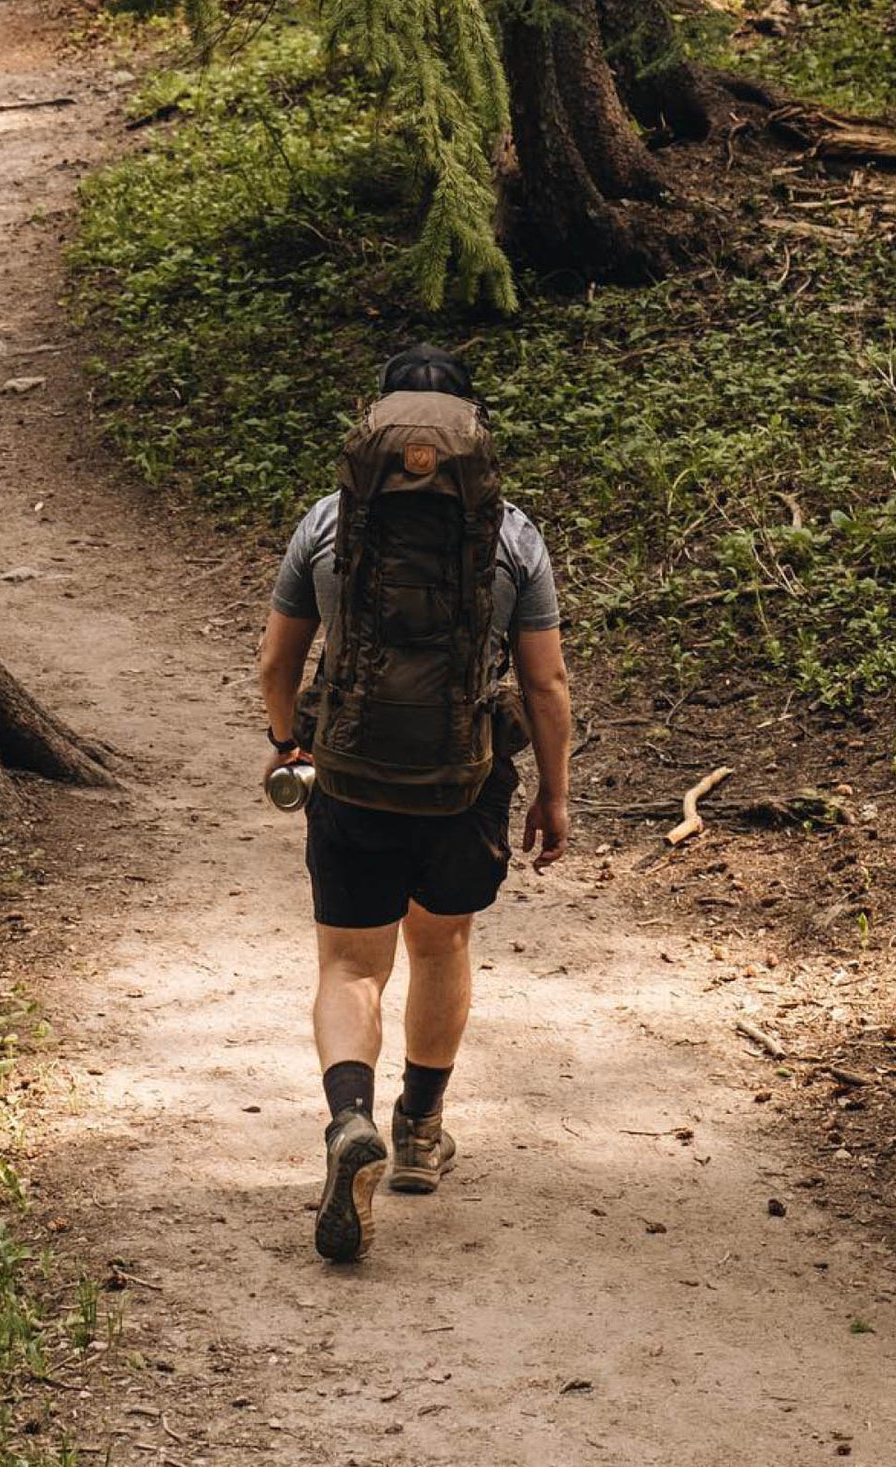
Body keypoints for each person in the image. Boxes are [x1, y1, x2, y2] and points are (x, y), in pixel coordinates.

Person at [255, 343, 572, 1264]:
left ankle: (350, 1117)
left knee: (352, 966)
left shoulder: (327, 523)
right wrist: (552, 793)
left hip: (350, 777)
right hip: (463, 779)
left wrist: (291, 743)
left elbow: (277, 665)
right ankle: (421, 1130)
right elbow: (546, 686)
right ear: (473, 427)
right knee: (443, 944)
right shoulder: (510, 533)